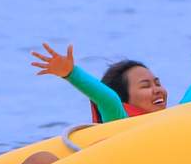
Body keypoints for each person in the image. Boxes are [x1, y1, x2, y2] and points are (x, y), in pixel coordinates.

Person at [30, 47, 170, 123]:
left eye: (157, 83)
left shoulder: (170, 121)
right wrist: (71, 73)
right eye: (145, 86)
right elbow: (108, 99)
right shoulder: (118, 120)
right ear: (124, 100)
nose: (157, 90)